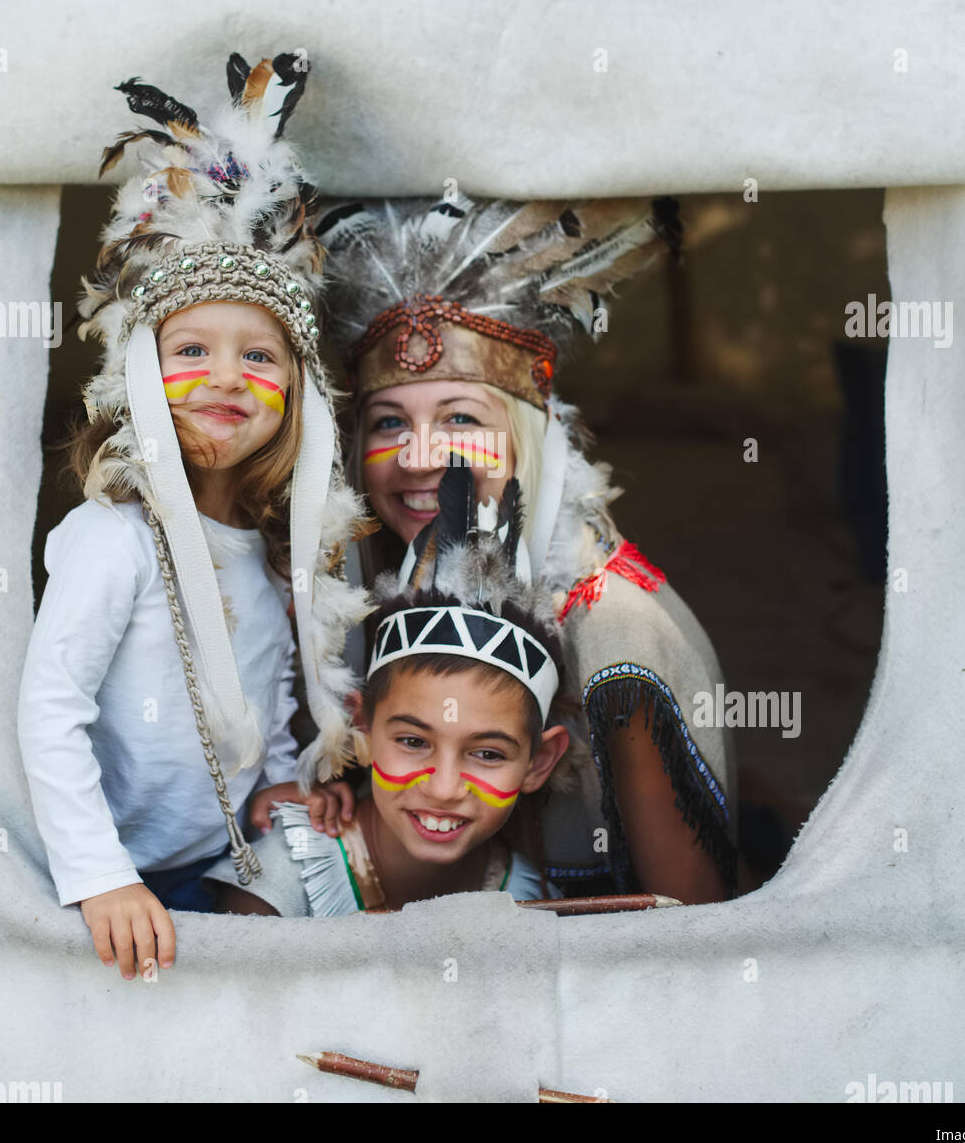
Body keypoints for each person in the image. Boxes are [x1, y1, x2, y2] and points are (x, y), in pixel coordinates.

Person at [17, 53, 370, 977]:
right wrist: (99, 876)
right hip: (112, 879)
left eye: (260, 357)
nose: (225, 377)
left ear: (300, 396)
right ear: (138, 374)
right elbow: (51, 706)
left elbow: (269, 685)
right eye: (192, 350)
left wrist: (290, 775)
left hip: (216, 861)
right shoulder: (113, 540)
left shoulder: (266, 543)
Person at [315, 196, 738, 903]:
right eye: (388, 422)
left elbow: (688, 916)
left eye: (459, 418)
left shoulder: (611, 625)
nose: (420, 457)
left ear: (528, 438)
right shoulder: (370, 586)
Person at [213, 468, 569, 916]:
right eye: (413, 741)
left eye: (488, 754)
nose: (442, 789)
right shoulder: (279, 886)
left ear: (538, 762)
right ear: (360, 726)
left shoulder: (531, 901)